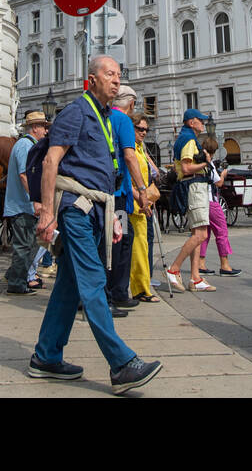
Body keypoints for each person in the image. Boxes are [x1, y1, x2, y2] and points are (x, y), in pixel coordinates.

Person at [27, 55, 162, 395]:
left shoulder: (103, 115)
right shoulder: (76, 111)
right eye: (109, 74)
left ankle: (45, 357)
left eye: (119, 75)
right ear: (92, 79)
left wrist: (128, 197)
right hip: (75, 209)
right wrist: (46, 213)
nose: (116, 81)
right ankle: (121, 363)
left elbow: (104, 166)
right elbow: (50, 161)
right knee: (93, 281)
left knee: (69, 286)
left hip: (94, 208)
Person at [106, 86, 147, 312]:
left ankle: (116, 291)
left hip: (105, 190)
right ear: (131, 104)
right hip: (119, 193)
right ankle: (117, 292)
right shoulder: (123, 121)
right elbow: (130, 156)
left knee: (115, 240)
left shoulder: (105, 117)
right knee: (120, 241)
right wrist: (141, 189)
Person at [165, 109, 216, 292]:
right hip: (194, 185)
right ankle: (174, 268)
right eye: (200, 121)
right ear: (191, 122)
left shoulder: (186, 137)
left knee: (198, 233)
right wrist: (206, 162)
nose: (203, 124)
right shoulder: (188, 140)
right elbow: (186, 168)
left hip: (194, 185)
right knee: (201, 234)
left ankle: (195, 278)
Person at [4, 111, 48, 295]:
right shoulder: (25, 145)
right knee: (24, 246)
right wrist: (36, 199)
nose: (46, 131)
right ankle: (16, 282)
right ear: (35, 128)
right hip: (22, 206)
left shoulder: (29, 145)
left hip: (25, 206)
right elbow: (24, 175)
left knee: (34, 244)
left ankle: (15, 275)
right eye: (44, 127)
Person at [198, 134, 240, 276]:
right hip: (212, 202)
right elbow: (219, 183)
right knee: (222, 232)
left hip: (202, 201)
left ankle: (201, 264)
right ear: (214, 151)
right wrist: (223, 175)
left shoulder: (199, 162)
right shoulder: (209, 164)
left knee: (206, 233)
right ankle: (225, 265)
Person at [130, 114, 160, 303]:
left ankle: (143, 285)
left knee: (144, 244)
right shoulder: (130, 149)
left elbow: (155, 171)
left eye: (145, 130)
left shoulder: (140, 149)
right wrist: (141, 198)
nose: (143, 132)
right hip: (136, 205)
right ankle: (140, 289)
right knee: (139, 246)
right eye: (140, 129)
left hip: (145, 202)